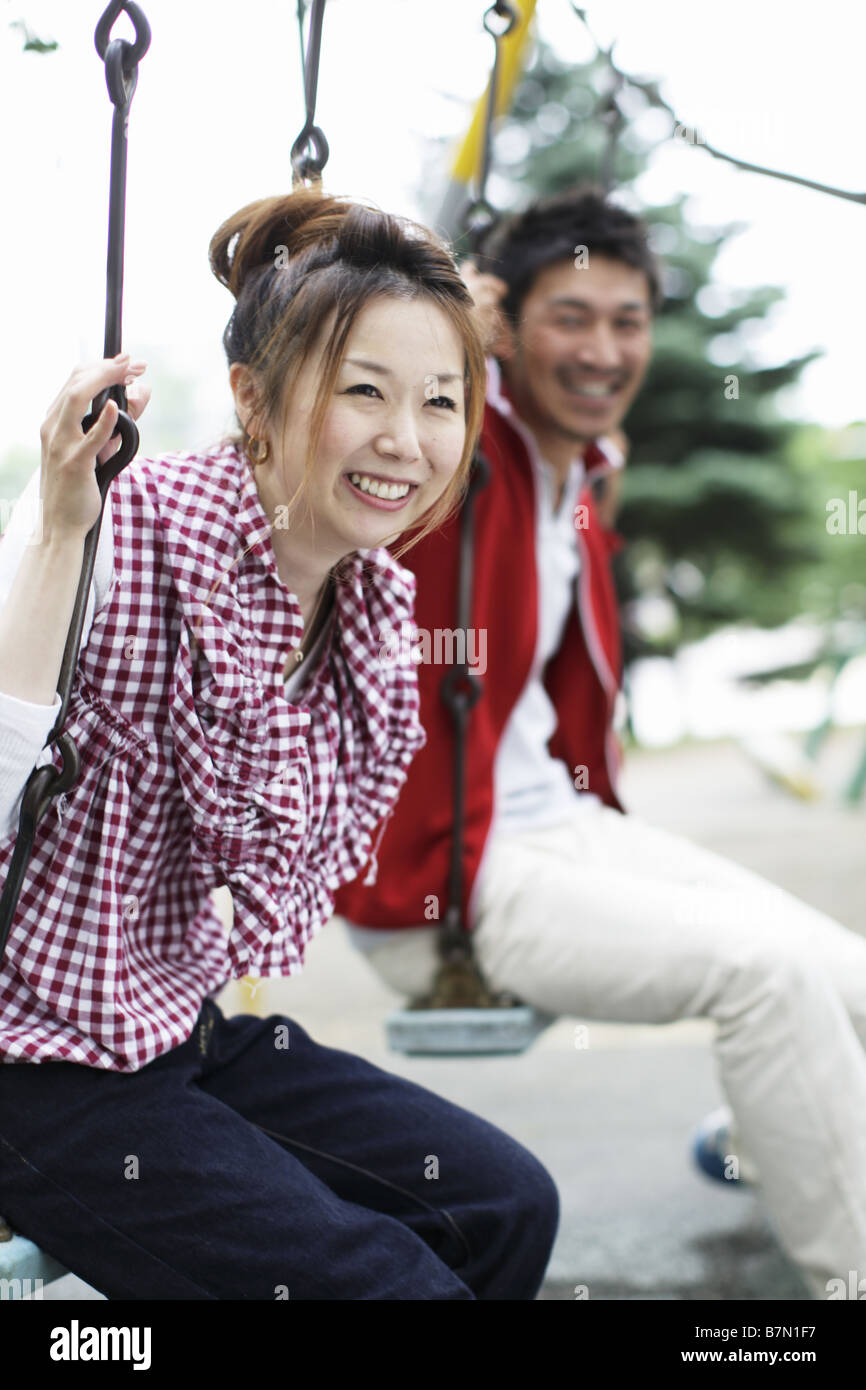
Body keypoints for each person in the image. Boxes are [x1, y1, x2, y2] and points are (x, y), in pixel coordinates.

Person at [0, 188, 559, 1301]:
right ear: (252, 399)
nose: (406, 440)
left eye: (440, 401)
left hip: (171, 1024)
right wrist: (58, 524)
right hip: (34, 1065)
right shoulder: (124, 534)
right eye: (363, 392)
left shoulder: (362, 611)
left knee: (502, 1202)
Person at [333, 187, 866, 1301]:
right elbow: (356, 368)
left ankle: (769, 1129)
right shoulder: (452, 436)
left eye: (626, 320)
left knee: (844, 975)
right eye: (568, 316)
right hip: (449, 874)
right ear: (499, 324)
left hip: (562, 828)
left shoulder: (580, 468)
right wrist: (440, 333)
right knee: (764, 977)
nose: (602, 347)